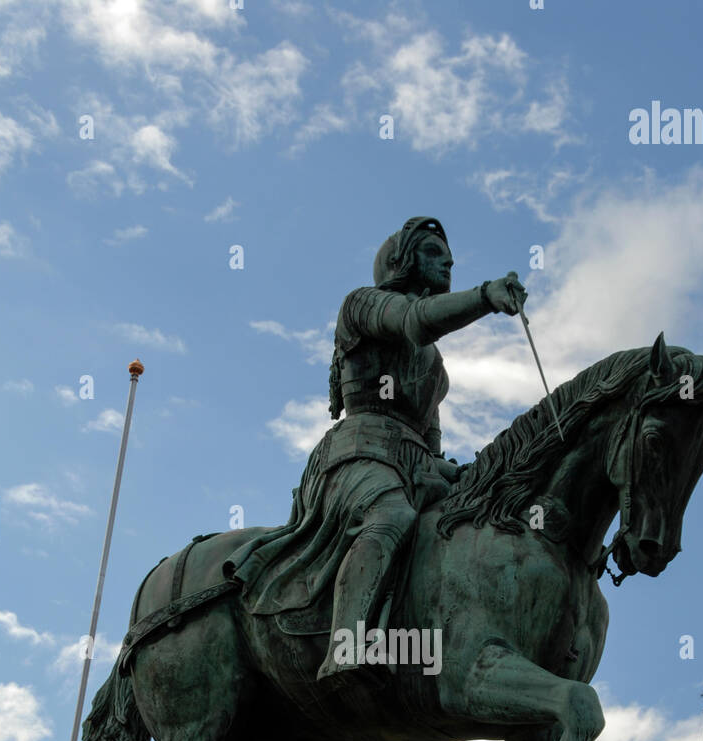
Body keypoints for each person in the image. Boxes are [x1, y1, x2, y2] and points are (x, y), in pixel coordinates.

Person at [224, 217, 527, 685]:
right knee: (392, 517)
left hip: (414, 463)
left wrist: (465, 474)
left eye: (447, 255)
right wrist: (485, 296)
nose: (447, 261)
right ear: (399, 262)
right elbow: (415, 323)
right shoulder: (362, 305)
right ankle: (345, 646)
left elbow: (431, 438)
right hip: (357, 456)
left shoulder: (434, 363)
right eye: (431, 252)